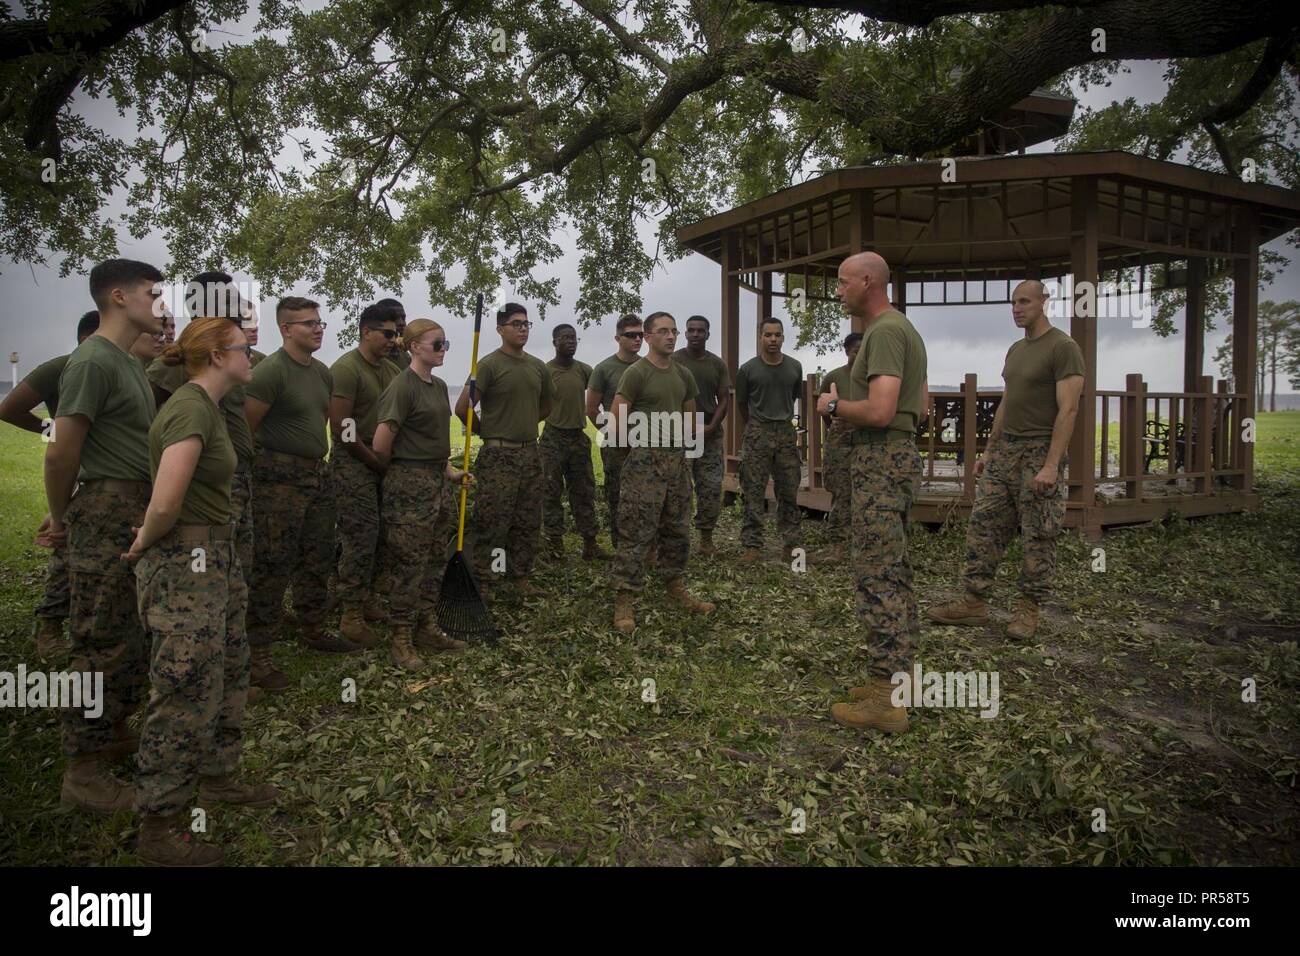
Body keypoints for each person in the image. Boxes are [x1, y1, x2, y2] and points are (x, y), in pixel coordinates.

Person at [122, 317, 278, 866]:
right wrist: (144, 544)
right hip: (187, 565)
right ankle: (160, 828)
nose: (251, 355)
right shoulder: (189, 408)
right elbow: (165, 502)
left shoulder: (206, 407)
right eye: (242, 348)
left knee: (229, 668)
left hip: (215, 558)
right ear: (215, 356)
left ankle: (218, 778)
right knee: (184, 689)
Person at [40, 259, 163, 813]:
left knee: (128, 633)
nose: (162, 305)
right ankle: (82, 770)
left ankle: (110, 732)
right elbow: (63, 449)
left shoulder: (129, 360)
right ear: (118, 297)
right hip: (105, 506)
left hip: (132, 504)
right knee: (99, 638)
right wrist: (61, 517)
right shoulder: (92, 360)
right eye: (153, 294)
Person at [927, 279, 1084, 640]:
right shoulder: (1016, 349)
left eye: (1025, 301)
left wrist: (1050, 464)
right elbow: (1006, 403)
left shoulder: (1063, 348)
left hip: (1039, 451)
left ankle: (1028, 610)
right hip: (1005, 453)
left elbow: (1069, 409)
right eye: (1013, 302)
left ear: (1044, 302)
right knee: (983, 525)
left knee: (1038, 534)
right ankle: (973, 602)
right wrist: (988, 452)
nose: (1017, 308)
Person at [817, 251, 928, 734]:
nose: (838, 291)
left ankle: (887, 700)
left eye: (843, 283)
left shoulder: (883, 331)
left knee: (877, 572)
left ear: (867, 281)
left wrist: (834, 404)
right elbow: (920, 406)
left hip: (881, 458)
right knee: (894, 569)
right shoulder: (903, 329)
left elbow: (882, 410)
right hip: (895, 456)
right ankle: (900, 680)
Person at [244, 297, 357, 693]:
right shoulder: (270, 372)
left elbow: (326, 423)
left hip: (316, 475)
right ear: (286, 329)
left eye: (319, 322)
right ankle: (258, 653)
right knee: (273, 563)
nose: (317, 328)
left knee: (318, 554)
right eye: (307, 323)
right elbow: (246, 429)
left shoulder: (323, 374)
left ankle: (312, 625)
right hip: (277, 479)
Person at [1, 310, 99, 658]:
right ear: (86, 338)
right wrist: (54, 432)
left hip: (109, 471)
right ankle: (50, 622)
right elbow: (10, 408)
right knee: (64, 542)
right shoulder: (61, 367)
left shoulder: (125, 365)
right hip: (76, 470)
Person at [373, 319, 469, 667]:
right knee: (408, 564)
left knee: (433, 559)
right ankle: (400, 637)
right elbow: (382, 443)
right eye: (436, 344)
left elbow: (431, 441)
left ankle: (425, 625)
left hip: (436, 483)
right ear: (414, 347)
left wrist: (449, 472)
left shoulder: (439, 385)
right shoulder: (403, 387)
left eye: (445, 344)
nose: (443, 350)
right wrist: (408, 471)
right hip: (409, 487)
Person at [610, 311, 714, 633]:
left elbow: (690, 421)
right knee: (637, 531)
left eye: (674, 331)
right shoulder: (636, 373)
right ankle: (625, 599)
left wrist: (682, 454)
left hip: (677, 462)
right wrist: (640, 454)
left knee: (678, 529)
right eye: (663, 331)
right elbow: (616, 422)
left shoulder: (683, 375)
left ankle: (675, 585)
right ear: (649, 336)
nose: (671, 337)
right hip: (644, 462)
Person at [454, 302, 554, 596]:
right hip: (498, 456)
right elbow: (463, 408)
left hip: (530, 453)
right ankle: (485, 580)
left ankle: (519, 578)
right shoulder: (488, 365)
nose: (523, 329)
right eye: (516, 324)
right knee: (494, 519)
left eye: (526, 324)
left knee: (527, 519)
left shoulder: (537, 366)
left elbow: (547, 404)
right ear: (500, 329)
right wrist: (491, 431)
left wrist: (521, 424)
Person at [330, 304, 402, 646]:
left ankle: (369, 597)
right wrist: (373, 460)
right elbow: (342, 430)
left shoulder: (389, 370)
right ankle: (350, 614)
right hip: (354, 463)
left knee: (383, 533)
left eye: (395, 333)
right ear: (366, 332)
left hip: (382, 460)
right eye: (387, 333)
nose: (393, 339)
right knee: (361, 535)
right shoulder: (346, 369)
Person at [735, 318, 803, 563]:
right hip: (757, 432)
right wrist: (756, 425)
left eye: (777, 335)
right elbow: (742, 403)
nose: (773, 339)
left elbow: (794, 395)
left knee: (788, 490)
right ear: (760, 337)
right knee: (753, 490)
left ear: (783, 337)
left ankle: (790, 545)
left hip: (785, 433)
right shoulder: (748, 369)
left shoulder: (794, 367)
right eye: (768, 335)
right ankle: (752, 545)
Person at [542, 324, 606, 560]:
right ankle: (555, 545)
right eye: (565, 338)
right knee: (550, 492)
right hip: (552, 438)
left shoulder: (584, 370)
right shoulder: (545, 371)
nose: (571, 341)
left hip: (577, 438)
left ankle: (590, 544)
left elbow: (601, 389)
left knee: (583, 491)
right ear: (554, 342)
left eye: (574, 337)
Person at [673, 315, 731, 556]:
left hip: (709, 432)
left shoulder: (717, 364)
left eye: (700, 331)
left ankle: (706, 540)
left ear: (708, 334)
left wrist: (710, 428)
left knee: (710, 487)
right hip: (680, 432)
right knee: (679, 489)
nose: (695, 334)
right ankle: (677, 541)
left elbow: (724, 398)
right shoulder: (674, 360)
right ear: (684, 334)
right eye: (691, 330)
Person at [586, 314, 642, 547]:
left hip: (644, 443)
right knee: (617, 494)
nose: (637, 339)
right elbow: (591, 408)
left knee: (645, 495)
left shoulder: (648, 365)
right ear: (618, 338)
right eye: (631, 335)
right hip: (616, 446)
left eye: (640, 334)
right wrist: (612, 433)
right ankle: (620, 544)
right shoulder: (604, 369)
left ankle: (644, 544)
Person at [817, 332, 863, 553]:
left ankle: (861, 538)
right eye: (856, 350)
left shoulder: (871, 377)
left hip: (865, 439)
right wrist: (834, 425)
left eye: (864, 350)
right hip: (839, 440)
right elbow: (824, 407)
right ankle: (838, 540)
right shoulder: (834, 377)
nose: (859, 354)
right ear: (846, 351)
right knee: (840, 487)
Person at [376, 298, 409, 368]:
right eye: (395, 318)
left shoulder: (405, 356)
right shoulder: (372, 357)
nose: (401, 323)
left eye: (403, 318)